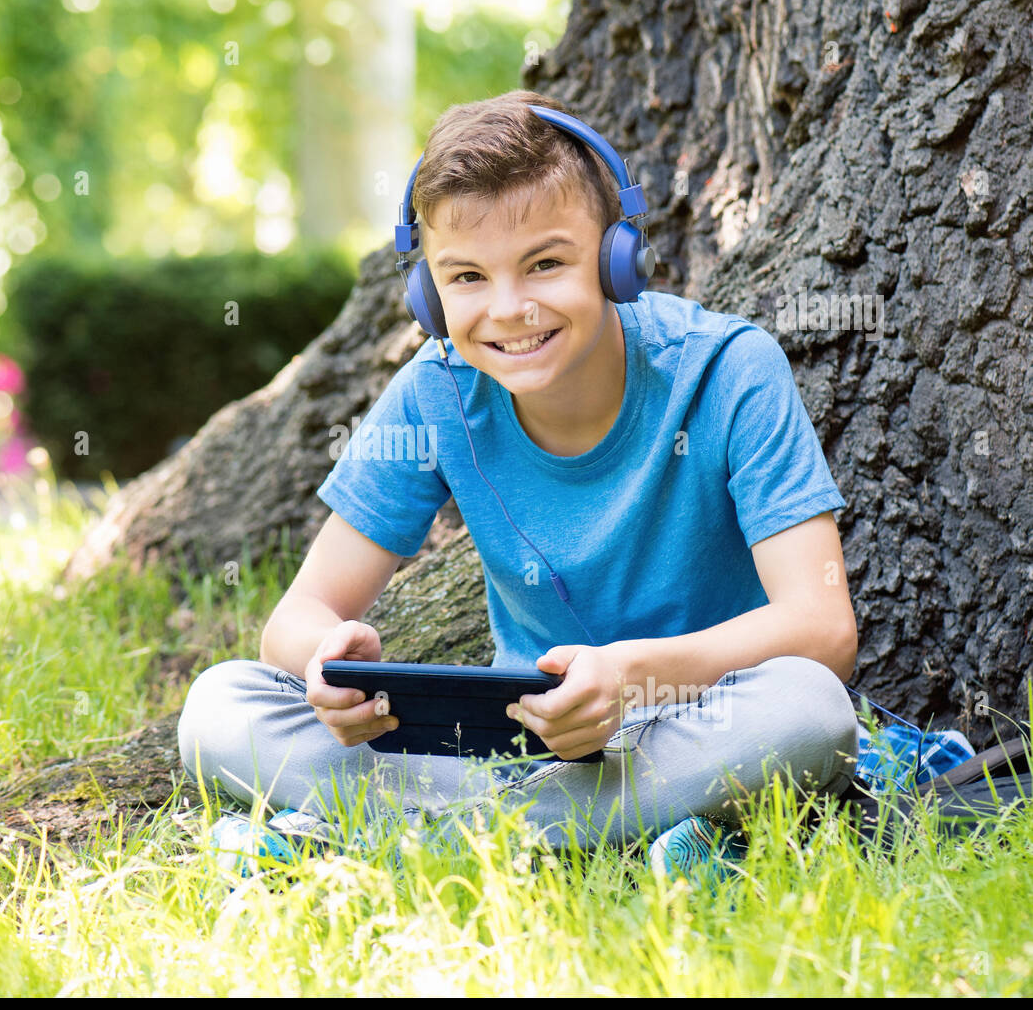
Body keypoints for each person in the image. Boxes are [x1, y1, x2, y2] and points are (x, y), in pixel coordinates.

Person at [177, 89, 860, 882]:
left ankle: (415, 838)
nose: (508, 309)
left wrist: (633, 678)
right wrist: (323, 662)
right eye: (465, 276)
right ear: (427, 295)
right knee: (220, 708)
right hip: (507, 756)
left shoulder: (730, 369)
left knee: (808, 712)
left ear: (616, 258)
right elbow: (294, 620)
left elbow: (823, 631)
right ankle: (592, 837)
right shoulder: (435, 392)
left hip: (688, 728)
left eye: (545, 263)